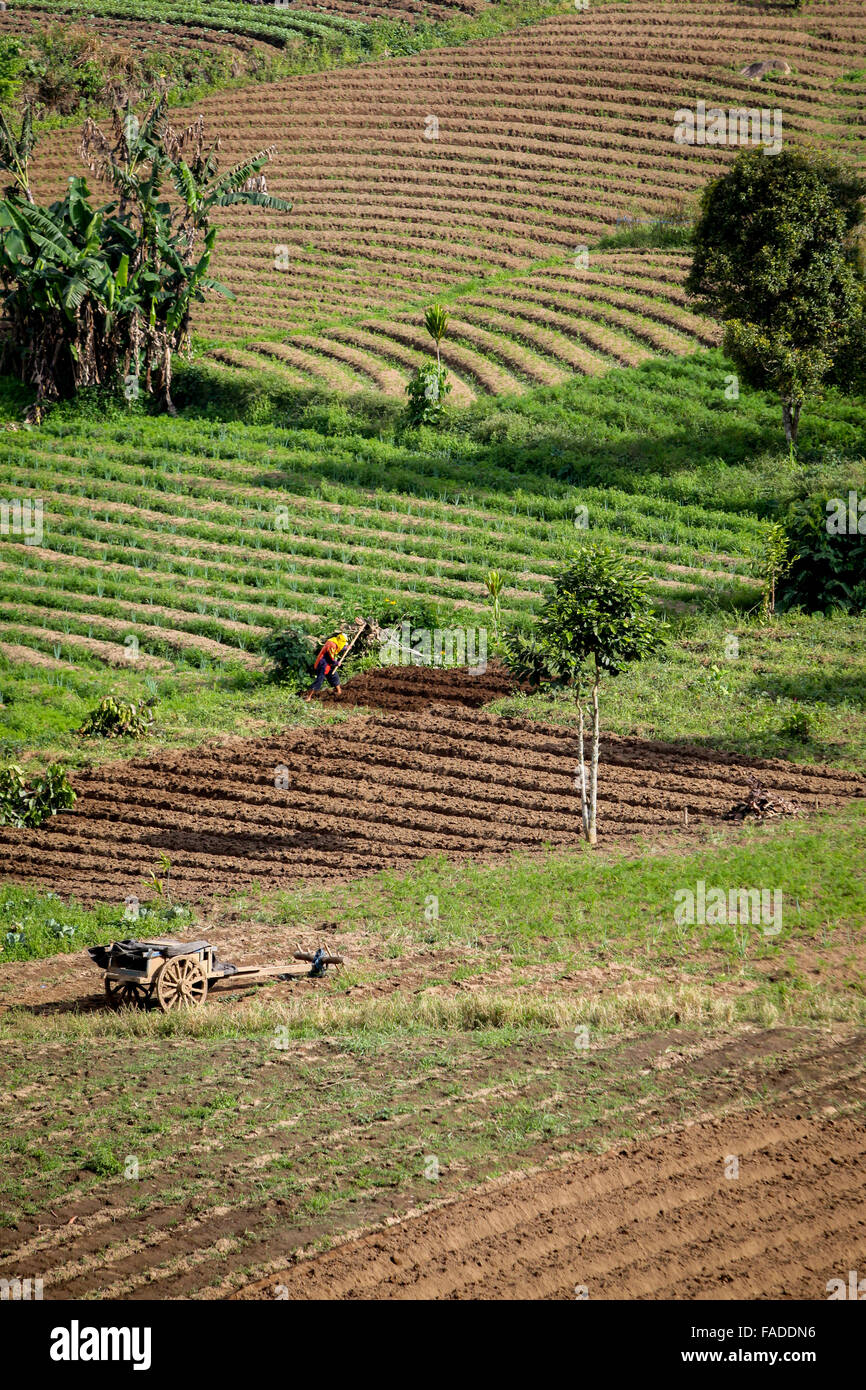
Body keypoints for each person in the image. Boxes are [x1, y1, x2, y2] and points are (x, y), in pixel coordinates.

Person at [303, 632, 348, 702]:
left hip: (328, 665)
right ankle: (308, 697)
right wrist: (337, 663)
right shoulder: (331, 644)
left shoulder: (335, 641)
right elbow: (331, 658)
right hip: (323, 664)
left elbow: (338, 647)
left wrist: (346, 648)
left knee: (334, 676)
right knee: (319, 681)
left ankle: (339, 692)